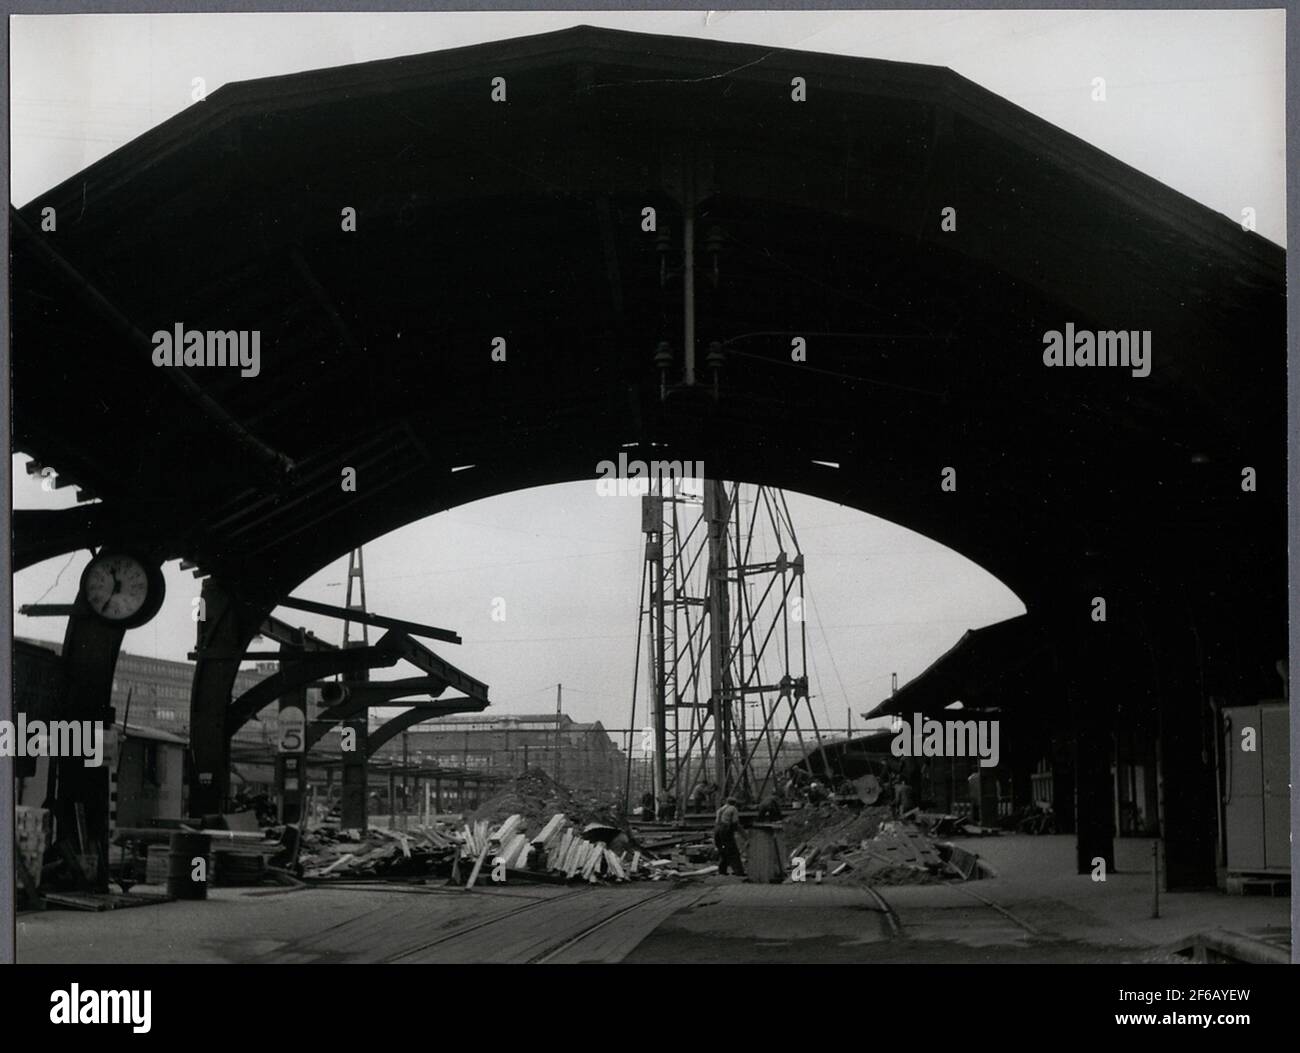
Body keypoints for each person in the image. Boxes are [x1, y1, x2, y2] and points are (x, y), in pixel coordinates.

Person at [713, 796, 746, 876]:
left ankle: (722, 871)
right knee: (733, 851)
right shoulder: (733, 809)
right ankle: (739, 872)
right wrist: (744, 835)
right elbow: (735, 822)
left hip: (717, 830)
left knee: (723, 850)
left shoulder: (720, 809)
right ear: (735, 803)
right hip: (725, 829)